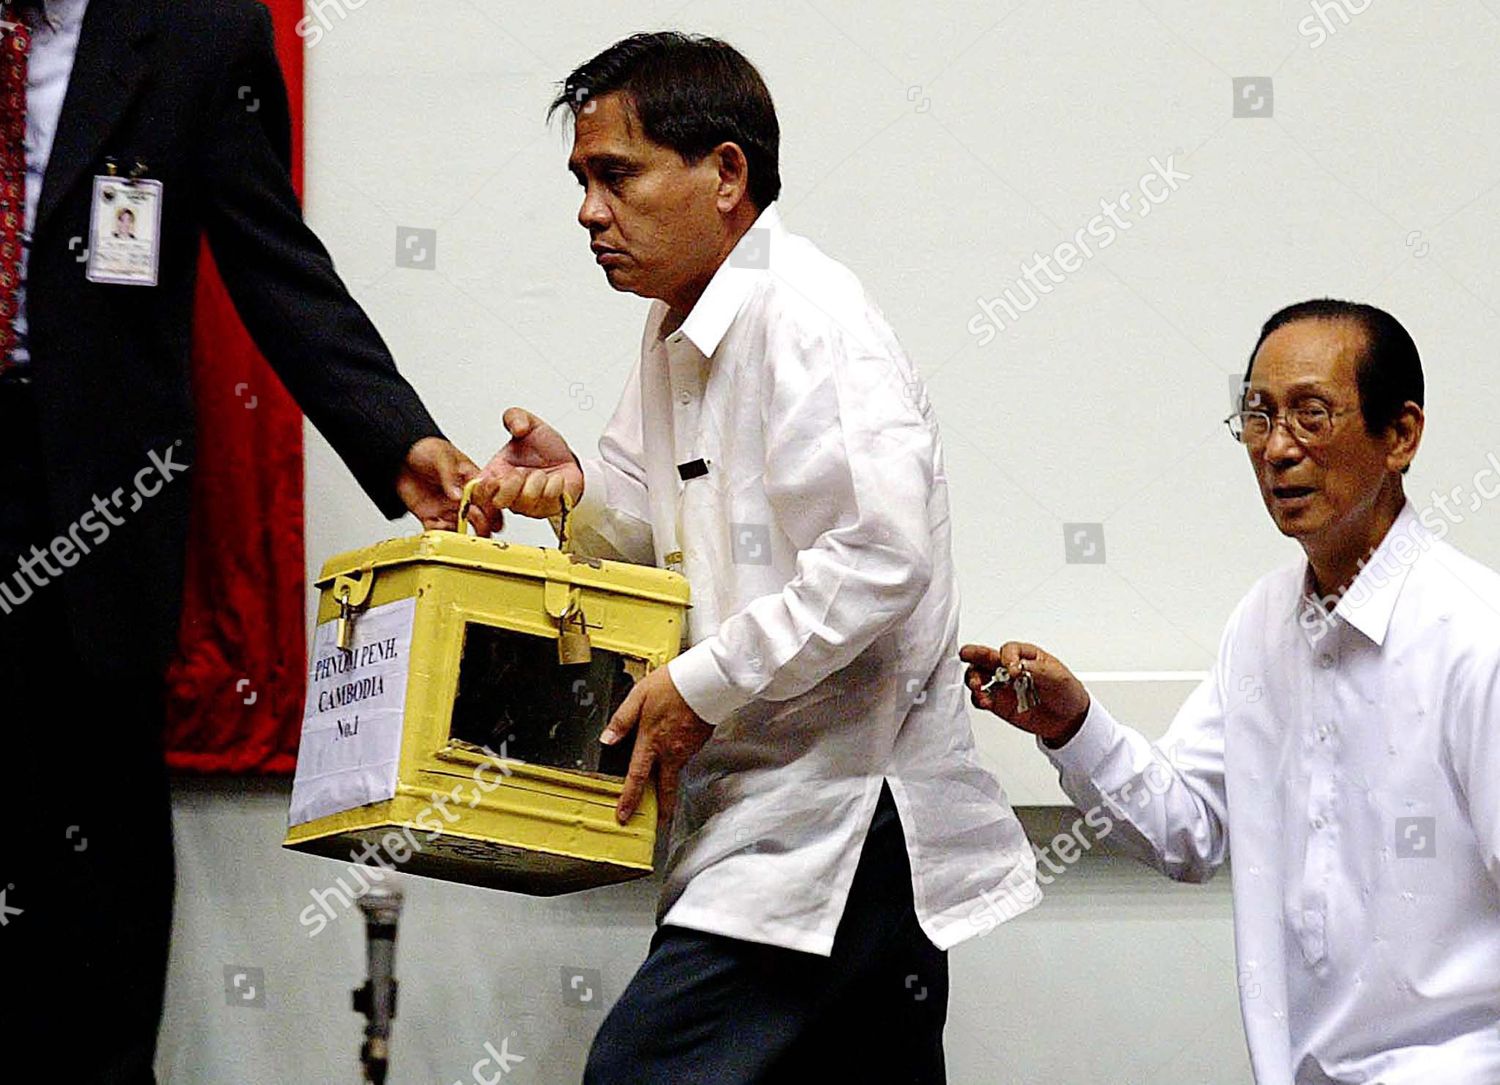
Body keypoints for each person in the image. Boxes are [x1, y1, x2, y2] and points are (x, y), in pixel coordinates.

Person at [470, 31, 1038, 1084]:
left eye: (617, 175)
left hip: (841, 810)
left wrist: (701, 682)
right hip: (784, 805)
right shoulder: (673, 322)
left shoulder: (809, 314)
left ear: (727, 173)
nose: (589, 211)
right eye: (582, 180)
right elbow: (649, 522)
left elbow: (881, 551)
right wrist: (575, 494)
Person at [1, 1, 496, 1080]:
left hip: (88, 516)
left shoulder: (194, 31)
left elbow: (276, 261)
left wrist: (396, 435)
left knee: (90, 884)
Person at [963, 299, 1500, 1085]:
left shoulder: (1475, 635)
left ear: (1401, 435)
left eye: (1311, 414)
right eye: (1258, 415)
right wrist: (1073, 724)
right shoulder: (1261, 624)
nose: (1278, 449)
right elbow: (1189, 830)